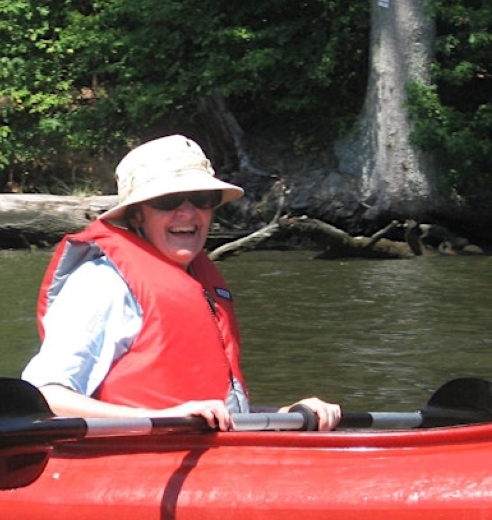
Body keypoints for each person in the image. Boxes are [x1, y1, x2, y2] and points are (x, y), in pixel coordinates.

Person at [21, 134, 341, 431]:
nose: (187, 212)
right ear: (135, 216)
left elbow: (219, 414)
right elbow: (46, 396)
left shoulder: (201, 282)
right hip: (138, 466)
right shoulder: (102, 282)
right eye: (167, 201)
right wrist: (163, 418)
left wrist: (287, 415)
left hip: (213, 462)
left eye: (201, 198)